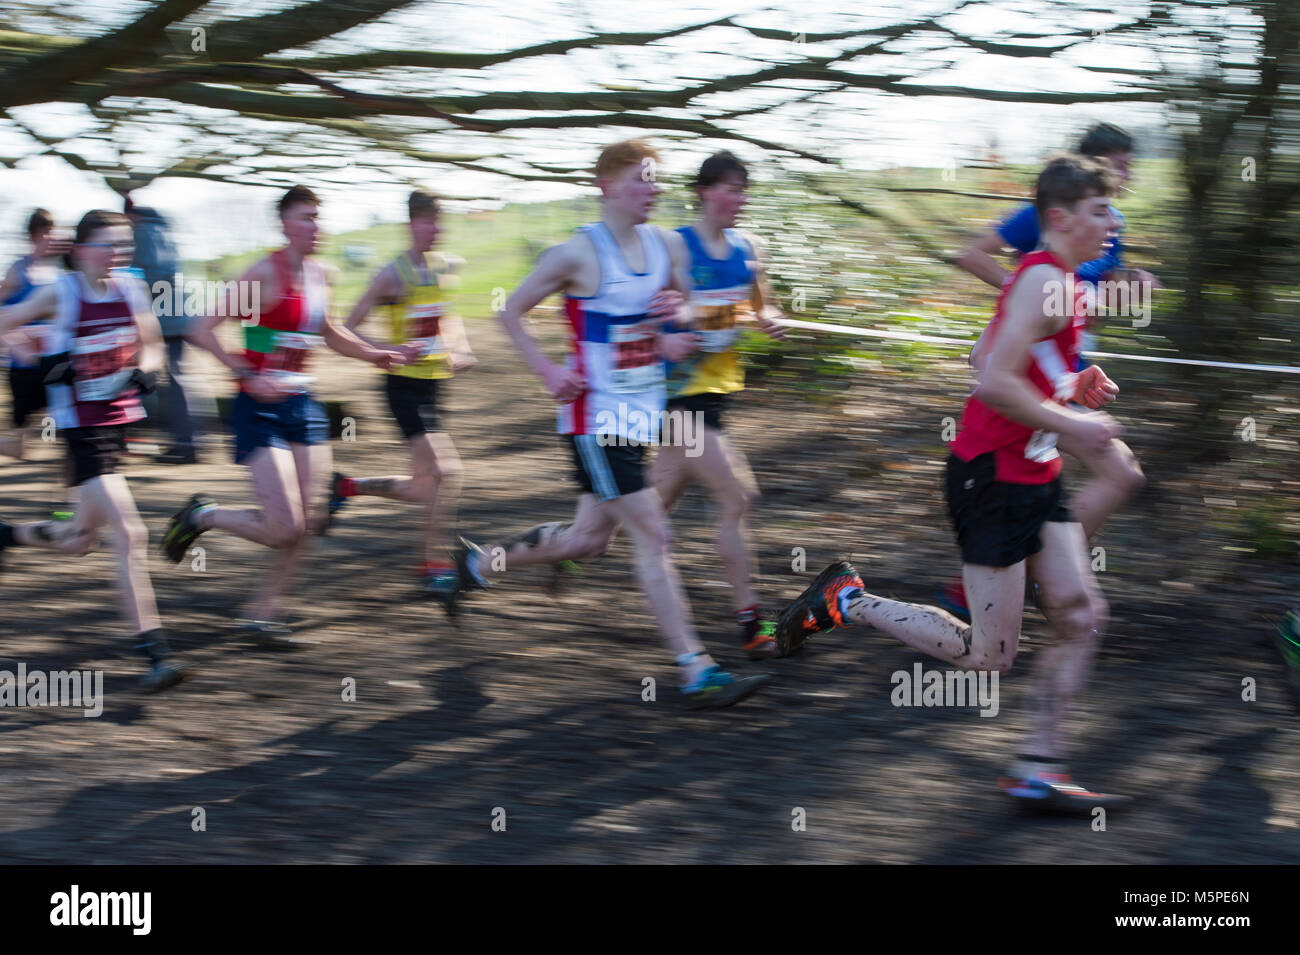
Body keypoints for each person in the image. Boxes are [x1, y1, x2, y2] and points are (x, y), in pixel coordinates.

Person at [775, 154, 1132, 811]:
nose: (1114, 220)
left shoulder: (1070, 285)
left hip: (1037, 472)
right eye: (1100, 209)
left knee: (1082, 613)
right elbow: (992, 381)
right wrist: (1076, 424)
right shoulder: (1037, 282)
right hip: (990, 479)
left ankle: (1038, 768)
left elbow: (986, 357)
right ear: (1059, 218)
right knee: (987, 656)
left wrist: (1073, 384)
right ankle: (847, 599)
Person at [451, 139, 770, 708]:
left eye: (656, 179)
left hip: (643, 419)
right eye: (641, 179)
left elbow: (686, 318)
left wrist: (676, 328)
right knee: (655, 533)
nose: (652, 189)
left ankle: (479, 561)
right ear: (605, 185)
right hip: (595, 421)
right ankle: (697, 669)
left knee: (588, 540)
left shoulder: (667, 244)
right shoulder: (577, 253)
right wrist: (547, 369)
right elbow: (510, 310)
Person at [160, 185, 416, 643]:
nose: (315, 226)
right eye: (305, 217)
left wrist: (378, 354)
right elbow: (203, 328)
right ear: (284, 224)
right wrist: (247, 373)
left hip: (303, 406)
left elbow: (330, 330)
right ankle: (202, 515)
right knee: (284, 526)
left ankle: (261, 614)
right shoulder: (264, 274)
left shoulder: (321, 274)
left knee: (312, 520)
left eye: (318, 217)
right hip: (258, 409)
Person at [942, 123, 1151, 619]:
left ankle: (1022, 577)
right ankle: (1022, 577)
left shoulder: (1106, 226)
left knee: (1109, 476)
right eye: (1118, 163)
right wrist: (1024, 296)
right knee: (1121, 473)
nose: (1128, 172)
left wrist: (1128, 288)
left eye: (1129, 162)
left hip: (1063, 379)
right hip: (1032, 385)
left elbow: (1088, 299)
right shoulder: (1054, 217)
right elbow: (970, 254)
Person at [0, 209, 188, 691]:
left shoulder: (130, 288)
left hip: (114, 426)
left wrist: (146, 369)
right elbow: (7, 319)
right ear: (82, 249)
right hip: (80, 431)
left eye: (124, 245)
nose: (118, 254)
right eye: (108, 245)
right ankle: (153, 652)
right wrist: (20, 347)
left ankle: (7, 537)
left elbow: (152, 343)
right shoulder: (59, 292)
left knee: (80, 539)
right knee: (130, 533)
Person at [653, 151, 787, 658]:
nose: (739, 198)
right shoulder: (675, 246)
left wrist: (768, 317)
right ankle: (751, 623)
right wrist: (696, 319)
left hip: (717, 394)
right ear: (705, 192)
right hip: (677, 398)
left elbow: (760, 302)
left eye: (744, 189)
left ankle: (567, 550)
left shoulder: (749, 247)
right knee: (739, 498)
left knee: (640, 511)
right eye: (730, 188)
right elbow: (668, 311)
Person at [330, 189, 474, 605]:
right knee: (449, 472)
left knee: (423, 487)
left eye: (440, 221)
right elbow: (346, 327)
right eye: (427, 221)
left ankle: (349, 487)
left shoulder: (446, 267)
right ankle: (433, 565)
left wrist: (459, 348)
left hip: (434, 384)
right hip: (403, 388)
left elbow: (447, 316)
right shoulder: (391, 275)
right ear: (411, 224)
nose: (435, 229)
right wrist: (386, 351)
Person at [125, 198, 195, 464]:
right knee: (178, 379)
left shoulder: (143, 233)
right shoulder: (166, 231)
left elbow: (155, 275)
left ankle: (176, 442)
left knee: (147, 376)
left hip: (161, 318)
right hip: (178, 316)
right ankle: (187, 442)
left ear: (132, 216)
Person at [0, 209, 61, 461]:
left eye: (52, 232)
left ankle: (69, 490)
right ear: (34, 236)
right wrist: (14, 344)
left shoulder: (58, 273)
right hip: (22, 366)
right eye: (45, 233)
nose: (50, 238)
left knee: (56, 429)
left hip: (49, 361)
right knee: (21, 448)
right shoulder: (18, 270)